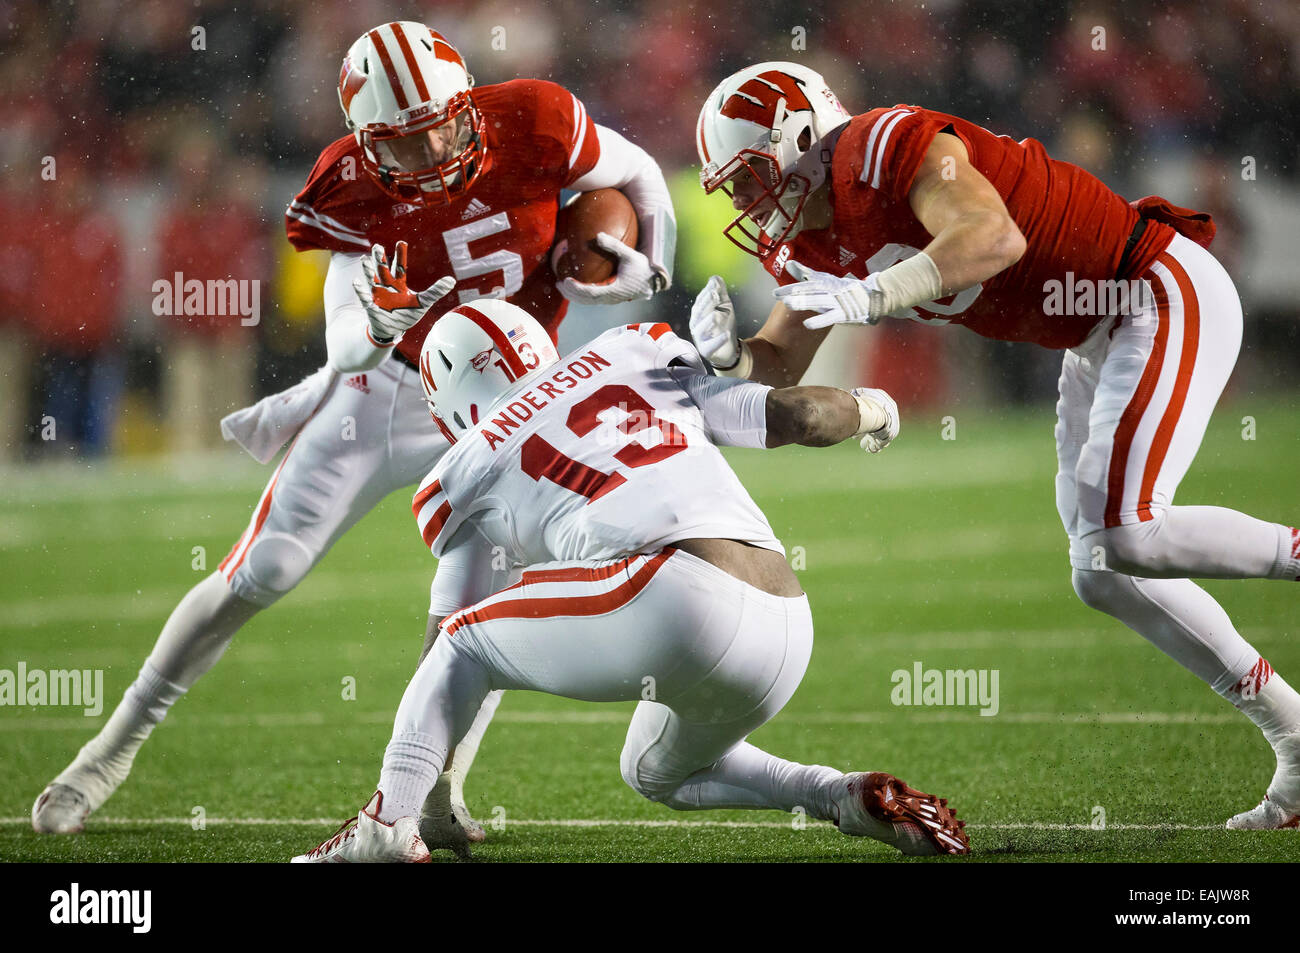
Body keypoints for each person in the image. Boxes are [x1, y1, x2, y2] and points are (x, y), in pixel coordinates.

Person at [32, 22, 676, 856]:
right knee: (264, 568)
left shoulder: (535, 116)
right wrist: (372, 327)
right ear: (368, 145)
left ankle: (438, 789)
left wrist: (646, 261)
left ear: (467, 98)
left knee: (474, 613)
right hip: (388, 393)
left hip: (503, 406)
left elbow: (637, 173)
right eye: (406, 139)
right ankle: (107, 750)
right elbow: (343, 342)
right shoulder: (351, 189)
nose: (436, 145)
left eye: (443, 121)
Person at [689, 62, 1300, 830]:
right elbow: (777, 361)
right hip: (1093, 334)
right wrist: (730, 358)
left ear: (801, 137)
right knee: (1103, 569)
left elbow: (992, 235)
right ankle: (1296, 737)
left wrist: (876, 292)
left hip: (1153, 285)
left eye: (747, 178)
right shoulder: (809, 236)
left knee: (1127, 528)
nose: (744, 203)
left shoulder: (882, 146)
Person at [292, 295, 968, 862]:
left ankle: (384, 825)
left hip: (672, 597)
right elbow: (796, 415)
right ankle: (845, 795)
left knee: (462, 642)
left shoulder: (464, 464)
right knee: (655, 770)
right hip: (786, 623)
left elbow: (451, 630)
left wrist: (431, 799)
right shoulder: (633, 349)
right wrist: (873, 406)